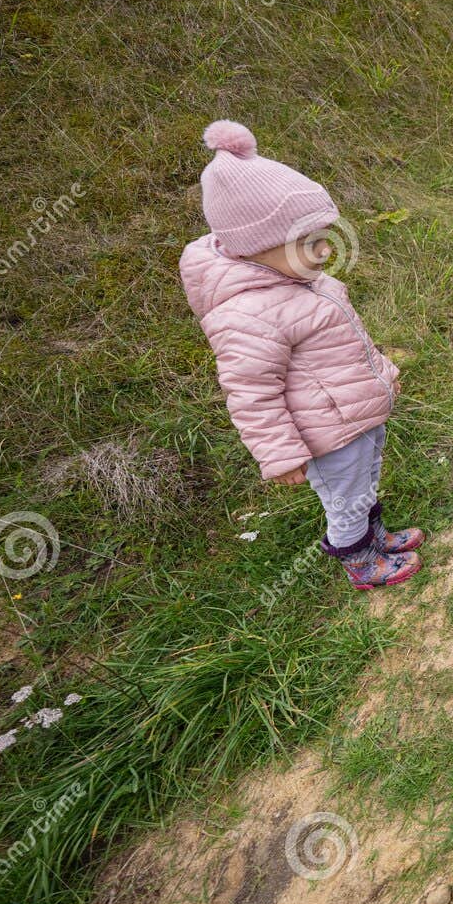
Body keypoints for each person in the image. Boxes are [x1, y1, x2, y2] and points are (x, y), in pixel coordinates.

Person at [179, 120, 423, 589]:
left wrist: (383, 374)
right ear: (256, 246)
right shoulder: (248, 314)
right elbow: (250, 392)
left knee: (364, 485)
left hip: (356, 415)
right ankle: (362, 564)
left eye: (325, 235)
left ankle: (377, 538)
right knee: (345, 498)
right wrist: (280, 453)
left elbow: (350, 342)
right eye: (310, 243)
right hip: (326, 434)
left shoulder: (302, 282)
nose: (327, 249)